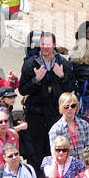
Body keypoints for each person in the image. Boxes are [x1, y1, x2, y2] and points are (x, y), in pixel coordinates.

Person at [18, 32, 76, 169]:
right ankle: (36, 174)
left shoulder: (63, 63)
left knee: (56, 143)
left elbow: (71, 88)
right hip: (36, 111)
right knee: (35, 144)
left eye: (48, 44)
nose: (45, 47)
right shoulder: (30, 64)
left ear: (54, 45)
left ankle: (55, 170)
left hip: (55, 111)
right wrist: (36, 80)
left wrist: (62, 76)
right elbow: (22, 90)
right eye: (43, 44)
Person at [48, 92, 89, 163]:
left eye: (73, 106)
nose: (70, 109)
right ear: (61, 108)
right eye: (66, 106)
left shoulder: (84, 125)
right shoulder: (55, 129)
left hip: (84, 167)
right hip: (66, 168)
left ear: (77, 107)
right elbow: (55, 154)